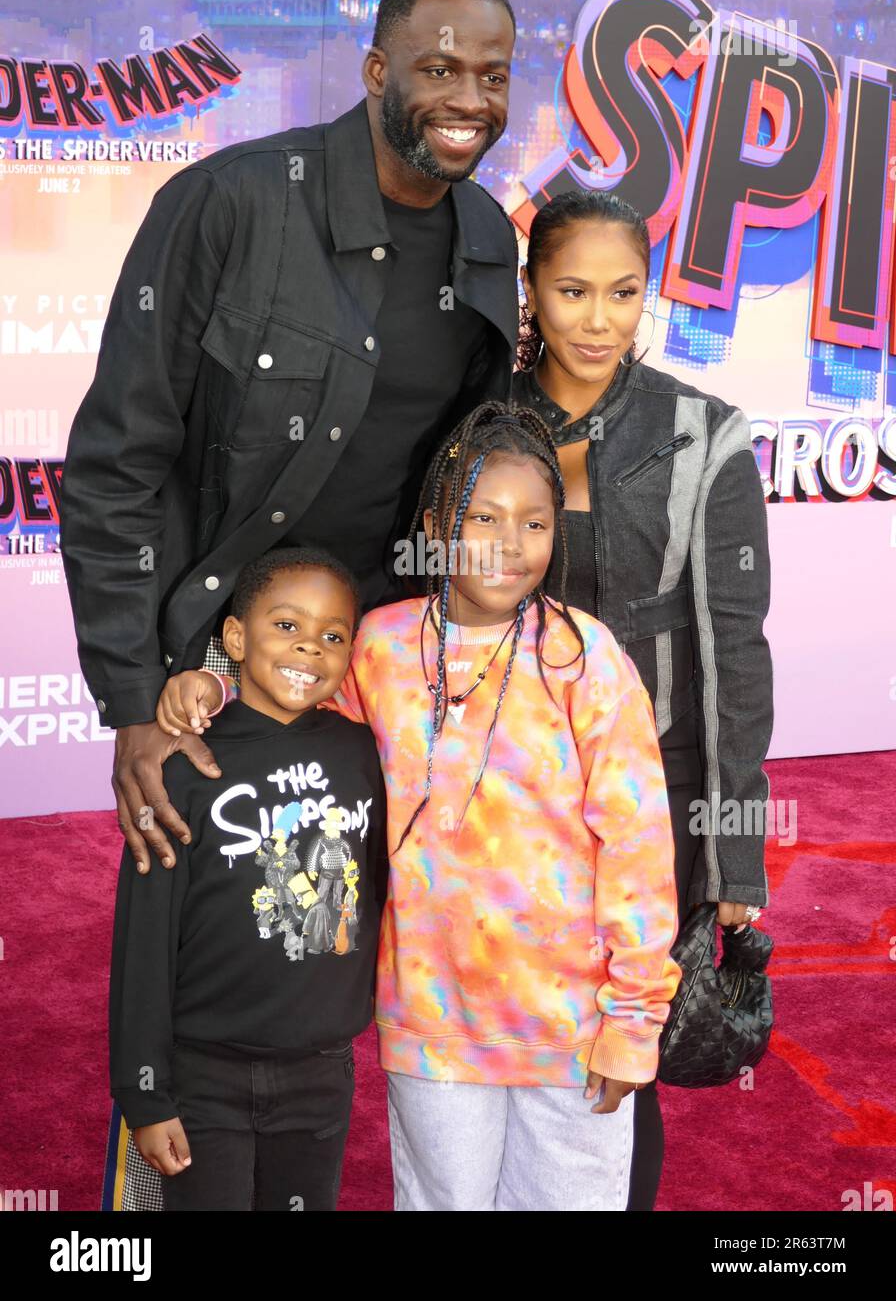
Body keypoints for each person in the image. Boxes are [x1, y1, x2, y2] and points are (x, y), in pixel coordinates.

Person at [59, 0, 520, 879]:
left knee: (353, 963)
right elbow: (117, 461)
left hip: (377, 676)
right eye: (439, 69)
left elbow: (456, 471)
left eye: (494, 75)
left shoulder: (488, 236)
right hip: (210, 677)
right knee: (215, 972)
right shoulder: (233, 201)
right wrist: (136, 703)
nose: (469, 97)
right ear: (378, 72)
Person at [159, 403, 682, 1212]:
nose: (508, 545)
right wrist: (214, 685)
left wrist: (635, 1017)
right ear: (437, 525)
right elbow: (300, 719)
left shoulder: (586, 659)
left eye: (533, 522)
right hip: (432, 1017)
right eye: (483, 517)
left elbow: (638, 846)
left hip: (570, 1024)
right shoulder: (380, 645)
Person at [511, 188, 774, 1209]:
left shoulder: (702, 432)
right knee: (513, 1034)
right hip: (501, 801)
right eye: (571, 288)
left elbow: (733, 657)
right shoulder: (482, 419)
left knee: (623, 1049)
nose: (596, 317)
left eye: (622, 292)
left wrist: (732, 848)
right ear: (531, 288)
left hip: (646, 806)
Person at [109, 545, 387, 1210]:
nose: (309, 648)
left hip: (321, 1072)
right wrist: (144, 1096)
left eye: (332, 635)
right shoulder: (184, 767)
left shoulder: (364, 751)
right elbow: (143, 941)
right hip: (203, 1075)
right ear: (234, 636)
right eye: (285, 626)